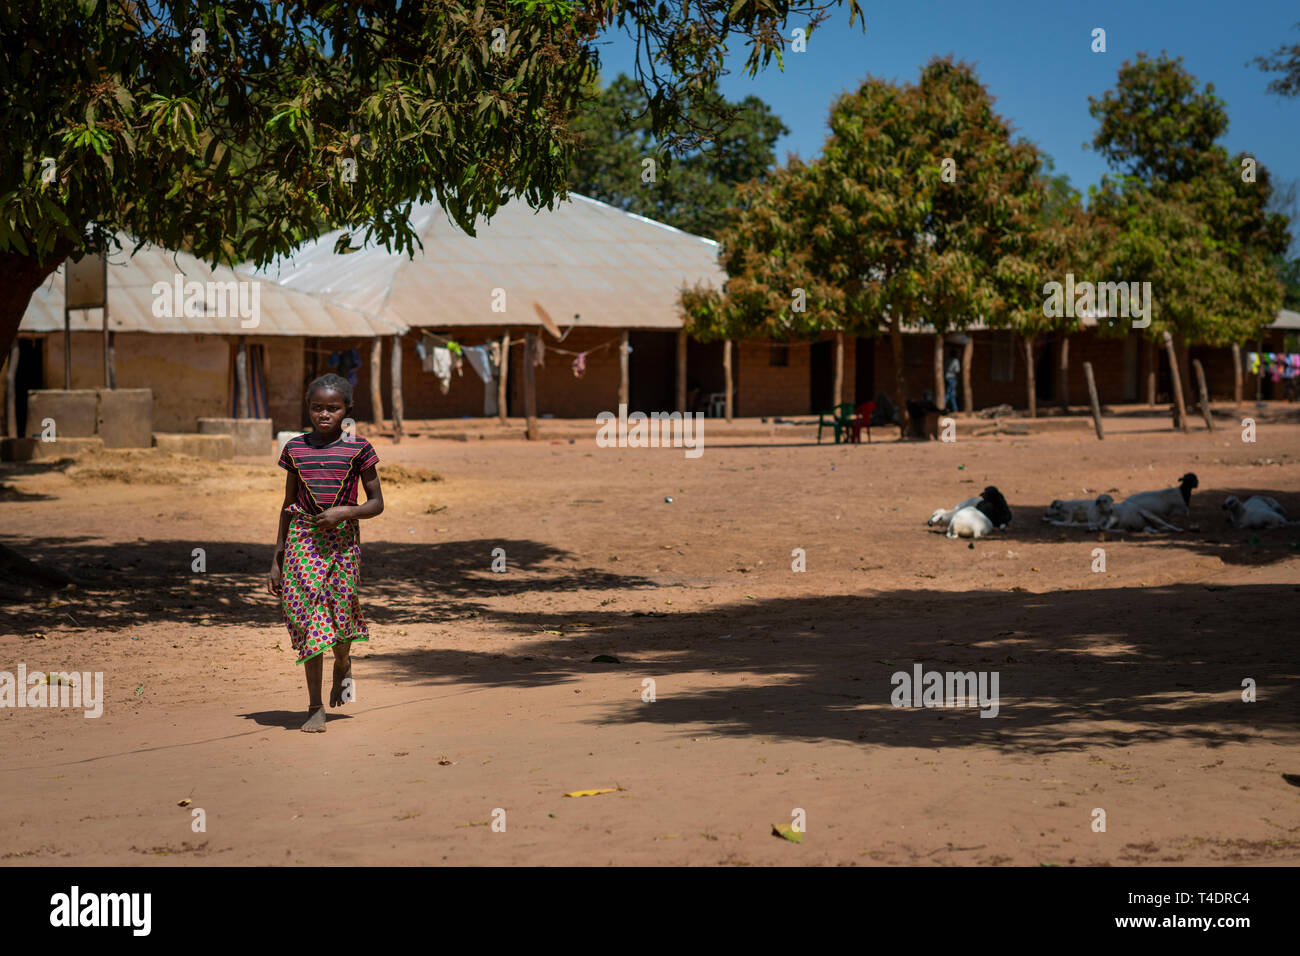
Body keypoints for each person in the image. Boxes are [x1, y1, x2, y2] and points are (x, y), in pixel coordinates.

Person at [268, 373, 384, 732]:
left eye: (332, 408)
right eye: (317, 407)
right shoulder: (294, 449)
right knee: (308, 618)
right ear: (308, 408)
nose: (324, 415)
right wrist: (277, 558)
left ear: (347, 410)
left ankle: (344, 661)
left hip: (342, 542)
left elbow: (377, 503)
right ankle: (314, 706)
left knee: (341, 617)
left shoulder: (359, 449)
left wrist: (344, 512)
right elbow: (288, 504)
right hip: (303, 538)